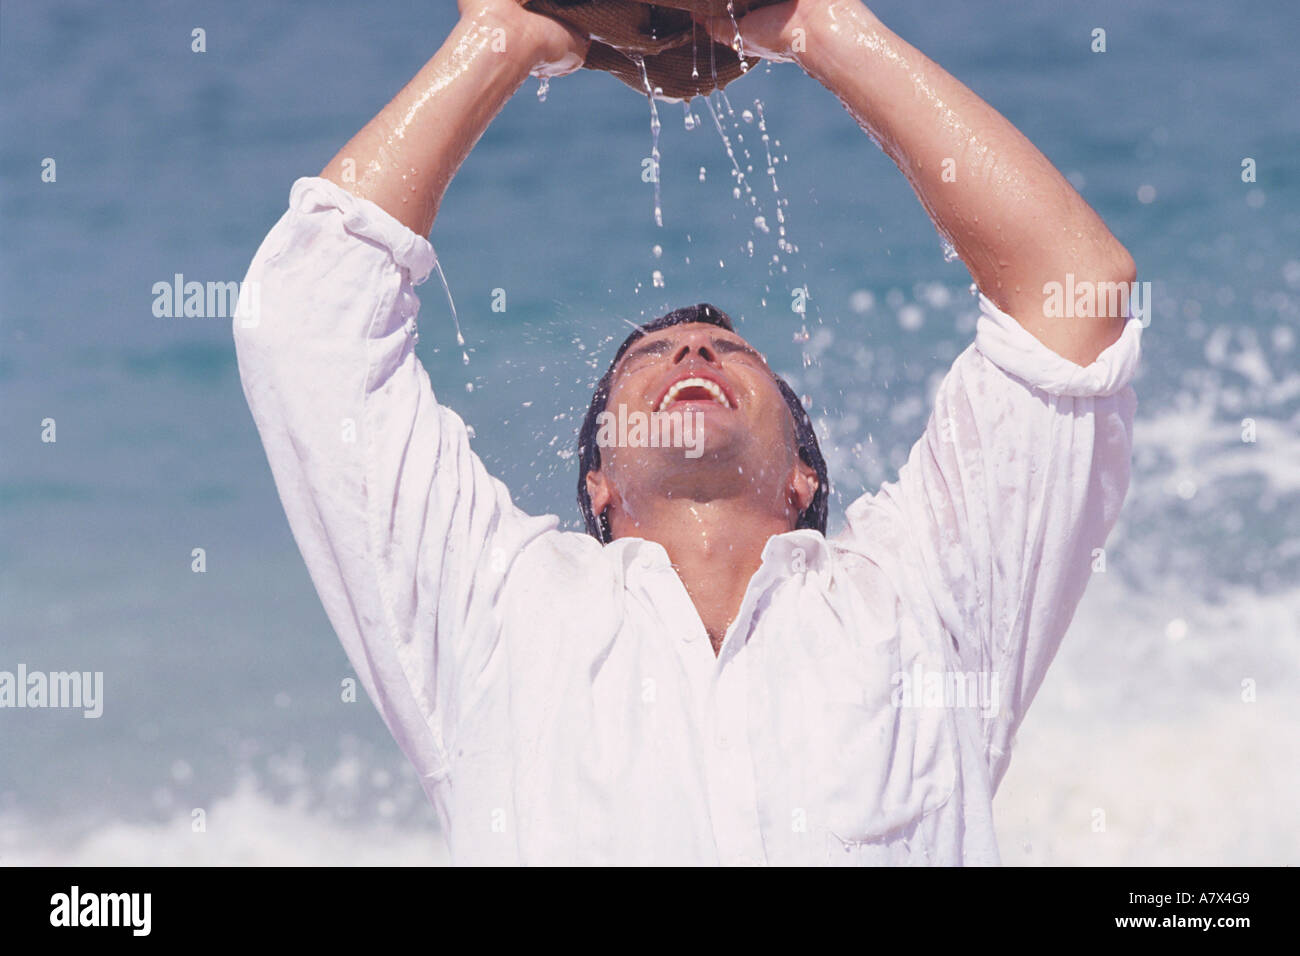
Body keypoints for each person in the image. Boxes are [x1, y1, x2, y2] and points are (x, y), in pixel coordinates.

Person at [233, 0, 1142, 865]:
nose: (694, 345)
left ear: (802, 478)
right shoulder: (497, 621)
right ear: (598, 482)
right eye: (653, 352)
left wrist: (823, 27)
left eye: (727, 350)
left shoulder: (917, 602)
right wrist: (498, 40)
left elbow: (1076, 295)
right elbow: (305, 323)